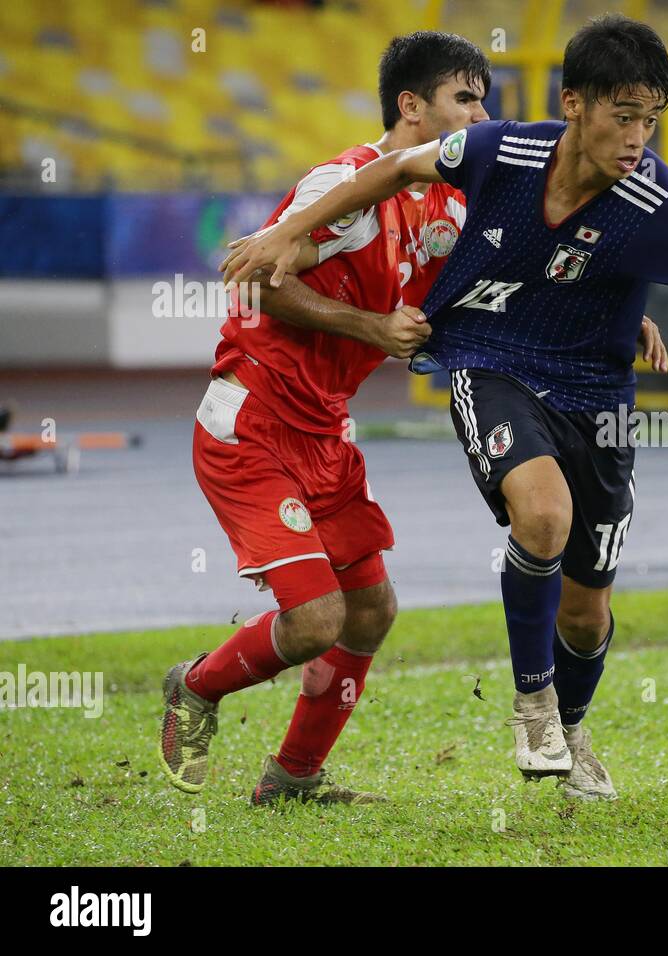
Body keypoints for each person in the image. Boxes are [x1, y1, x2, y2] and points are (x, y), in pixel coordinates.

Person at [223, 14, 668, 799]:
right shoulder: (503, 148)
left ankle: (570, 724)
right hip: (490, 364)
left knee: (587, 614)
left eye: (651, 119)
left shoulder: (659, 201)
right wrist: (286, 233)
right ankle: (532, 702)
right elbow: (395, 170)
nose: (639, 136)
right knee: (541, 514)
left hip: (597, 395)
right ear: (573, 103)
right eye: (623, 114)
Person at [156, 32, 491, 805]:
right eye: (464, 99)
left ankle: (292, 779)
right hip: (254, 424)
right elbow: (253, 278)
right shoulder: (345, 187)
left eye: (482, 99)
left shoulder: (448, 202)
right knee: (314, 622)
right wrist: (372, 329)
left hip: (325, 432)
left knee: (371, 613)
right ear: (411, 106)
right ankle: (196, 686)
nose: (480, 115)